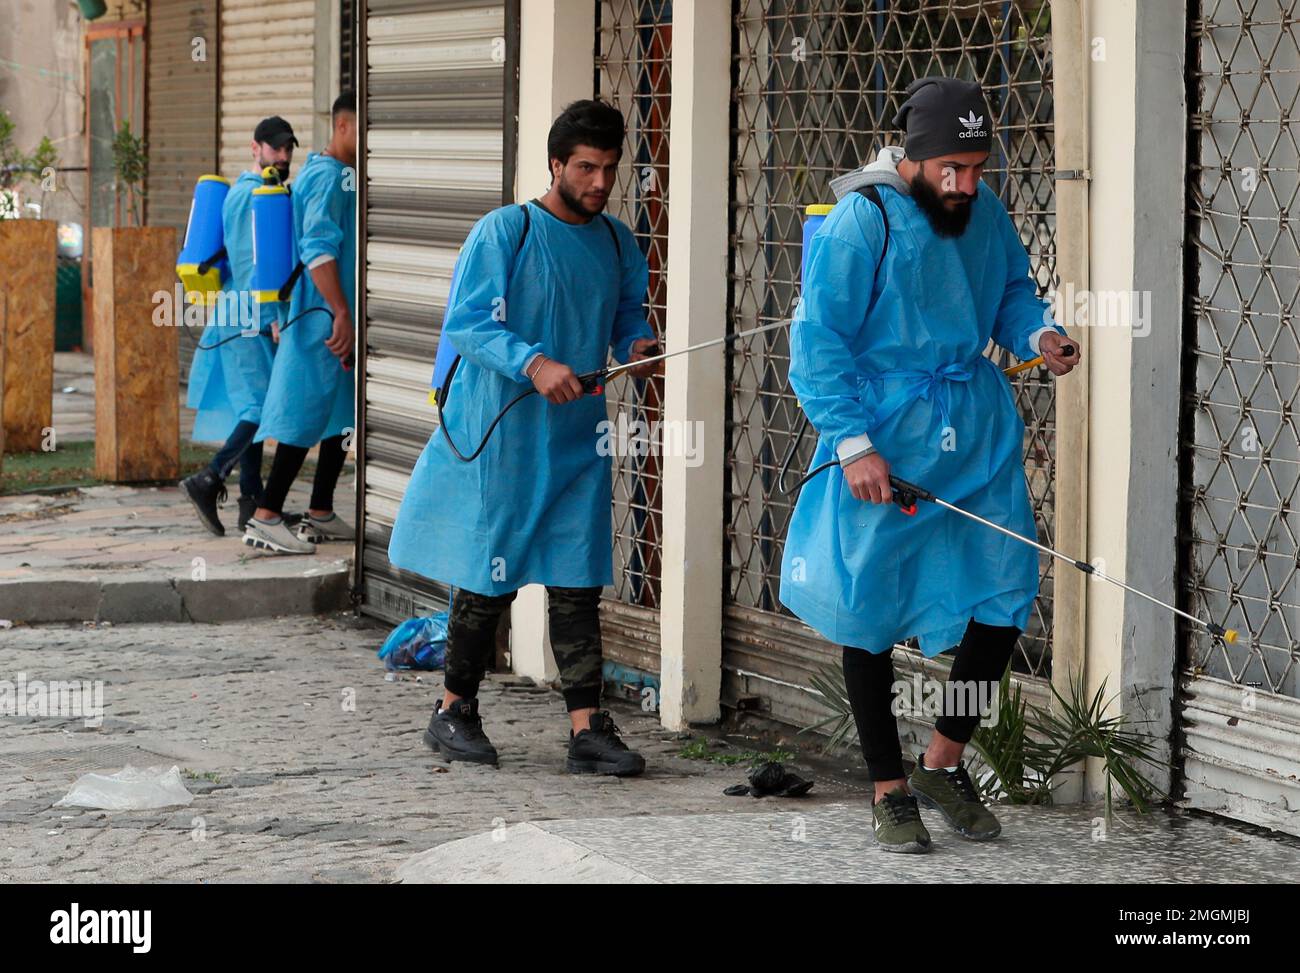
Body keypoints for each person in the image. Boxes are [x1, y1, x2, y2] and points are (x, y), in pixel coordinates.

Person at [779, 77, 1081, 851]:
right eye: (954, 167)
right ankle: (888, 787)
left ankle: (943, 760)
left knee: (1005, 591)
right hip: (883, 439)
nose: (969, 184)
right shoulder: (862, 222)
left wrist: (1038, 335)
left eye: (979, 167)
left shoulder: (983, 212)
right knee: (870, 607)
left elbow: (1013, 289)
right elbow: (818, 342)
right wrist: (852, 443)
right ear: (913, 157)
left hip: (973, 434)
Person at [388, 99, 659, 776]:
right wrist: (534, 363)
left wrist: (641, 345)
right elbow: (470, 323)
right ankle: (453, 709)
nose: (600, 182)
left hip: (577, 438)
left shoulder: (619, 241)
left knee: (577, 578)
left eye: (610, 168)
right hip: (504, 436)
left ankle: (587, 727)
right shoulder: (504, 232)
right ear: (556, 165)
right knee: (489, 575)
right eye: (587, 167)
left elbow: (629, 316)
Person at [244, 91, 358, 555]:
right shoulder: (328, 177)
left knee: (340, 411)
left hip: (327, 310)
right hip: (321, 312)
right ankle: (267, 516)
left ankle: (319, 511)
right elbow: (317, 250)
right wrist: (341, 311)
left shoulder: (335, 173)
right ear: (345, 127)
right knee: (302, 409)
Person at [181, 116, 297, 535]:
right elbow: (253, 266)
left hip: (238, 312)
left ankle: (251, 500)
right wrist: (271, 320)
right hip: (249, 315)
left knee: (251, 403)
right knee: (262, 407)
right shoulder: (252, 196)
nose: (282, 156)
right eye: (275, 148)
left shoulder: (254, 192)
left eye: (287, 149)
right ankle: (208, 480)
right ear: (255, 148)